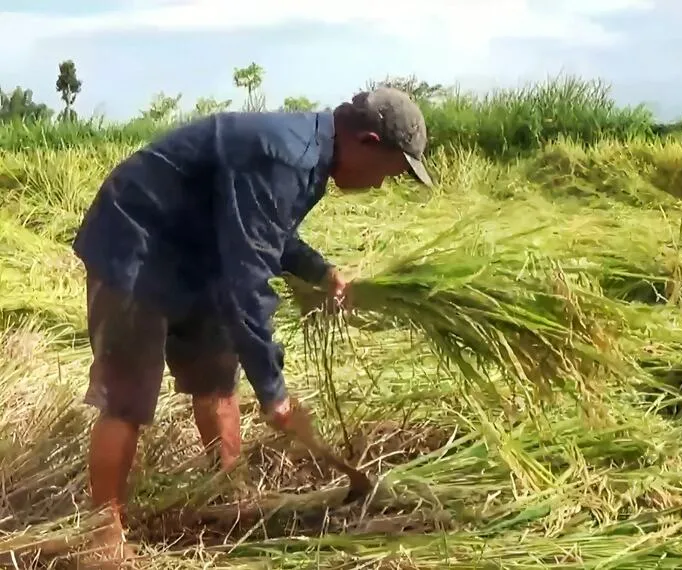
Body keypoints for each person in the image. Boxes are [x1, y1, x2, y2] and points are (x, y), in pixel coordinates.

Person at [72, 86, 432, 562]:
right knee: (128, 398)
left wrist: (321, 272)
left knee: (218, 376)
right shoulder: (282, 155)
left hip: (199, 252)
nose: (383, 183)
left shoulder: (310, 159)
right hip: (137, 242)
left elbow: (264, 232)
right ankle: (105, 534)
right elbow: (248, 283)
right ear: (366, 140)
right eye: (389, 170)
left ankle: (227, 489)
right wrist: (274, 392)